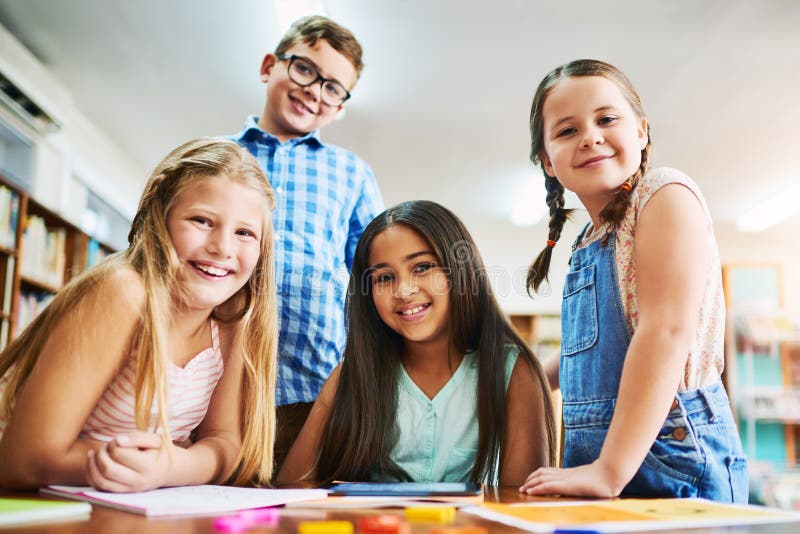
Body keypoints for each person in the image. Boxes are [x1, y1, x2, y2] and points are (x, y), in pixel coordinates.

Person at [519, 59, 747, 502]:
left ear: (641, 132)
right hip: (599, 461)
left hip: (671, 457)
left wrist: (609, 471)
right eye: (567, 131)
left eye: (606, 119)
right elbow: (580, 356)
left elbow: (665, 331)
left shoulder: (664, 195)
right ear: (547, 161)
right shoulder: (586, 241)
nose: (590, 136)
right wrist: (517, 375)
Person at [0, 139, 278, 491]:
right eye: (202, 221)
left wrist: (174, 465)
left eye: (244, 233)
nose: (222, 247)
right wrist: (135, 466)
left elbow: (226, 444)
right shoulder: (124, 292)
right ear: (158, 220)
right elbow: (22, 461)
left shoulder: (232, 320)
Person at [277, 200, 556, 485]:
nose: (404, 290)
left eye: (422, 267)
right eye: (384, 277)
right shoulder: (350, 376)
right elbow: (291, 486)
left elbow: (519, 504)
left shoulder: (515, 373)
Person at [227, 15, 383, 473]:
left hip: (311, 392)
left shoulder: (352, 173)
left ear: (339, 107)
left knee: (304, 510)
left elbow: (373, 275)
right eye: (304, 69)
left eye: (334, 87)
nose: (315, 90)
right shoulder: (217, 157)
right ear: (269, 66)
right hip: (215, 388)